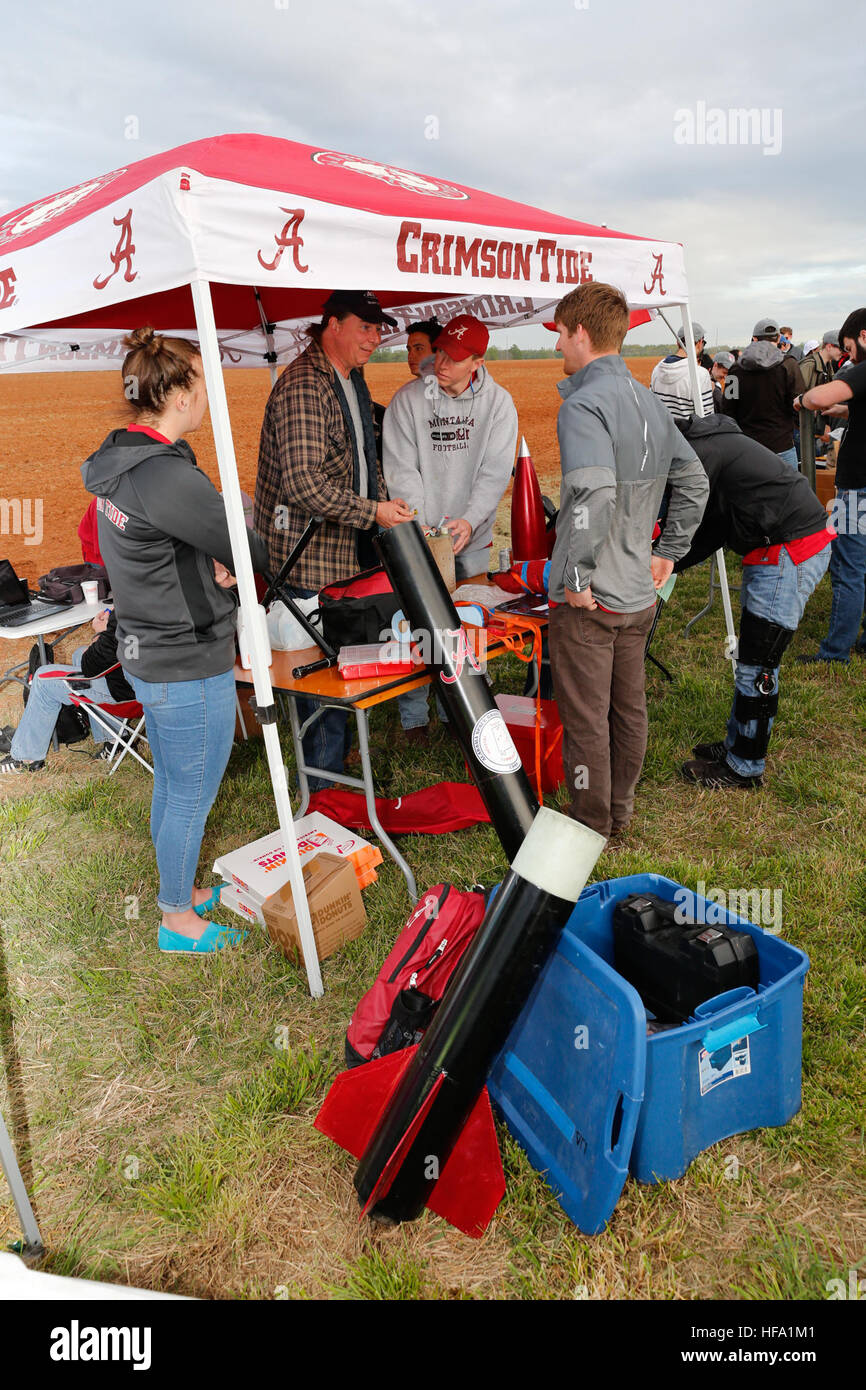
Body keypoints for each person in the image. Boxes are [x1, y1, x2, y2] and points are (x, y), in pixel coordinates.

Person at [81, 327, 271, 954]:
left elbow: (159, 548)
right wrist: (232, 560)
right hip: (183, 659)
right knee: (193, 789)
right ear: (182, 393)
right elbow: (247, 547)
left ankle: (179, 889)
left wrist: (205, 563)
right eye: (202, 379)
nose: (210, 392)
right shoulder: (165, 476)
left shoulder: (124, 459)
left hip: (146, 648)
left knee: (172, 780)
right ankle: (175, 920)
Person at [547, 282, 709, 840]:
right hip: (638, 593)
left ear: (582, 334)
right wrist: (667, 553)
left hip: (592, 600)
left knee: (588, 719)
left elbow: (592, 495)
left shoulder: (584, 405)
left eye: (562, 336)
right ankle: (621, 811)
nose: (559, 348)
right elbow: (694, 480)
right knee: (628, 708)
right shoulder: (648, 400)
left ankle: (592, 825)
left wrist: (574, 576)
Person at [255, 290, 413, 784]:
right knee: (319, 676)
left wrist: (385, 502)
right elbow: (303, 485)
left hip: (345, 555)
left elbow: (367, 456)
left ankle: (340, 770)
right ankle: (322, 788)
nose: (375, 337)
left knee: (343, 661)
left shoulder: (352, 378)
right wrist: (374, 512)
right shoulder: (304, 385)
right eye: (364, 327)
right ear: (332, 325)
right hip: (307, 560)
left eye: (378, 328)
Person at [674, 414, 833, 789]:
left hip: (790, 551)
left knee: (759, 665)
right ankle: (737, 744)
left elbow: (696, 517)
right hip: (779, 548)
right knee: (752, 658)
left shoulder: (701, 454)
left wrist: (663, 560)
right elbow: (715, 527)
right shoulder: (712, 446)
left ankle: (744, 766)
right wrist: (671, 562)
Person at [383, 313, 518, 739]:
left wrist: (469, 520)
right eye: (439, 351)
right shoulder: (408, 402)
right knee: (414, 623)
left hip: (472, 538)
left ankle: (463, 713)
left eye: (454, 357)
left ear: (476, 361)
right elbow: (403, 470)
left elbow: (495, 473)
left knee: (468, 624)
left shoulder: (499, 405)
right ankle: (414, 720)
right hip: (420, 538)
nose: (441, 363)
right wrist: (426, 530)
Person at [795, 307, 866, 663]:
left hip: (857, 490)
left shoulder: (865, 369)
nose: (848, 354)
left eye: (849, 346)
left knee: (848, 567)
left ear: (863, 336)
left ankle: (836, 651)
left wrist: (804, 400)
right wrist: (846, 411)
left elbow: (817, 397)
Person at [0, 610, 132, 773]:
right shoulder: (149, 603)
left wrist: (101, 634)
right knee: (79, 654)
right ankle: (114, 739)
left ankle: (26, 757)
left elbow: (93, 664)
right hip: (150, 684)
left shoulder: (127, 612)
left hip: (128, 695)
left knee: (43, 679)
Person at [722, 317, 805, 469]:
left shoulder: (735, 370)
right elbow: (799, 404)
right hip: (781, 445)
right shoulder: (789, 365)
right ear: (778, 339)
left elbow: (728, 409)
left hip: (749, 448)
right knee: (788, 493)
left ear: (754, 339)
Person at [650, 322, 715, 420]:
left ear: (677, 342)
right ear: (700, 342)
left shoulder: (657, 368)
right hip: (687, 434)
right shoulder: (700, 374)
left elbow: (652, 404)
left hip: (662, 432)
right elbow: (707, 418)